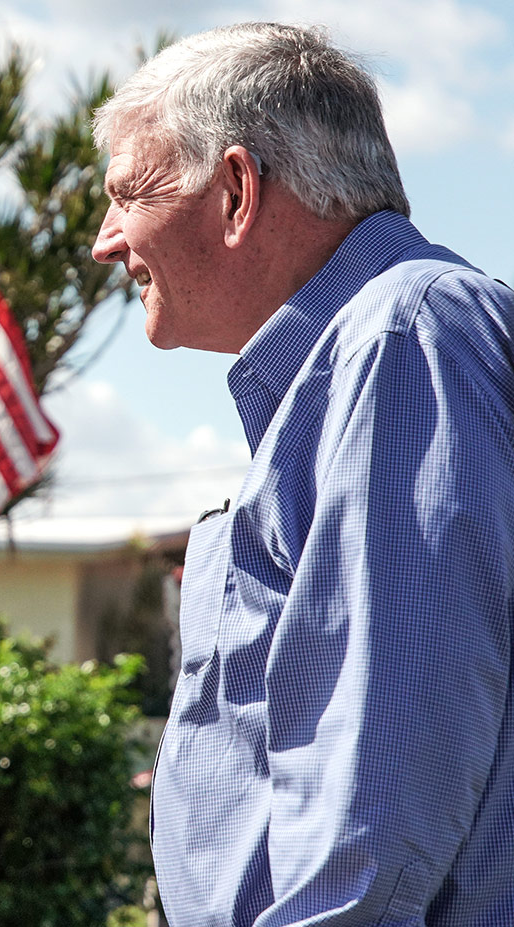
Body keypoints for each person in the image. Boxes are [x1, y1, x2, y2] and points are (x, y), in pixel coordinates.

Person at [91, 22, 514, 926]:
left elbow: (380, 797)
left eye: (127, 193)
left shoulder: (403, 339)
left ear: (237, 190)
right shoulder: (387, 345)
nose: (105, 239)